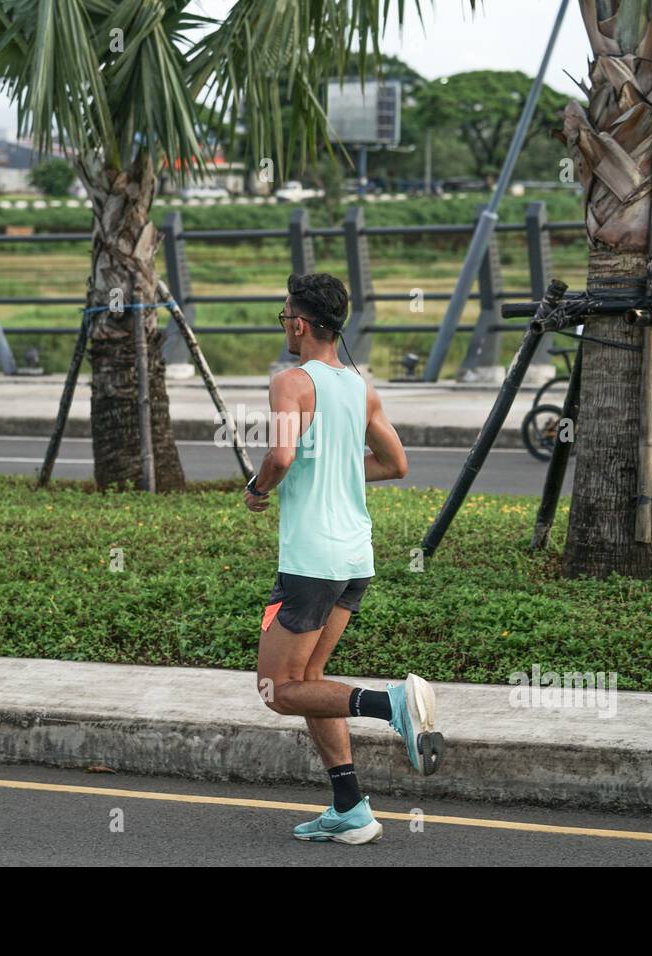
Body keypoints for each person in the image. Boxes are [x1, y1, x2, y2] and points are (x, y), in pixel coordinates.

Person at [245, 272, 444, 846]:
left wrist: (258, 490)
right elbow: (396, 464)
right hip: (355, 558)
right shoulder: (361, 387)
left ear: (301, 324)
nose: (284, 324)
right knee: (308, 679)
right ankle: (350, 807)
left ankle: (392, 703)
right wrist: (332, 471)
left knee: (277, 690)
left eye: (284, 315)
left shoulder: (291, 383)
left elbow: (281, 456)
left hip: (311, 561)